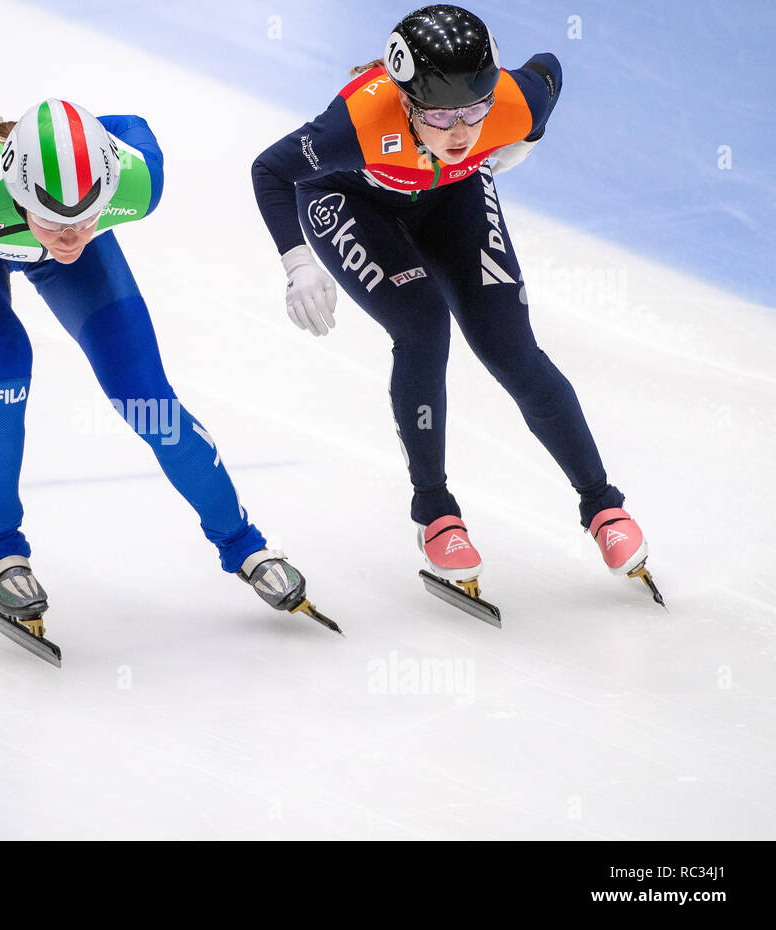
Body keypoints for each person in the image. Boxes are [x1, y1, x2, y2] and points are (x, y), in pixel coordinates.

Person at [0, 99, 336, 660]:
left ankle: (244, 545)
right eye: (54, 219)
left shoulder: (138, 183)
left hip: (36, 228)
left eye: (85, 217)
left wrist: (76, 134)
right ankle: (0, 548)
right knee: (4, 367)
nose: (67, 235)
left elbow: (133, 122)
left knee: (148, 401)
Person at [250, 4, 661, 608]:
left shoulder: (514, 103)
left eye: (475, 110)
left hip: (453, 195)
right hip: (353, 201)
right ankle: (435, 511)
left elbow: (549, 69)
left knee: (510, 348)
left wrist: (528, 136)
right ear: (408, 101)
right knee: (422, 326)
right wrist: (296, 262)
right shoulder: (358, 122)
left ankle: (603, 505)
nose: (462, 131)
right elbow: (269, 170)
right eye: (441, 115)